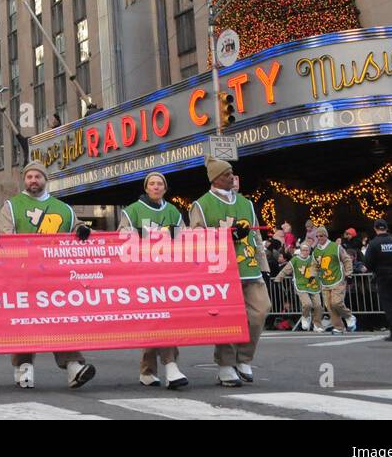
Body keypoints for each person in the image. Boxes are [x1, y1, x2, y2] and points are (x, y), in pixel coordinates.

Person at [0, 159, 97, 390]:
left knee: (61, 320)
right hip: (22, 275)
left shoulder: (63, 209)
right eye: (29, 177)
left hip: (56, 277)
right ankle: (23, 366)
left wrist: (82, 230)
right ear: (24, 180)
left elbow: (76, 227)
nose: (33, 181)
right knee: (24, 322)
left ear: (46, 180)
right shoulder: (11, 206)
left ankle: (73, 365)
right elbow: (5, 237)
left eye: (37, 177)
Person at [189, 156, 270, 387]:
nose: (231, 176)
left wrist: (263, 267)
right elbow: (194, 238)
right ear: (215, 178)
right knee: (226, 318)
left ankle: (244, 358)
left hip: (249, 268)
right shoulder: (201, 205)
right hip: (219, 270)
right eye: (226, 173)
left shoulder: (247, 203)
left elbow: (256, 236)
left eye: (232, 172)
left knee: (260, 311)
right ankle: (225, 365)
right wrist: (225, 234)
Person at [118, 171, 188, 389]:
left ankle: (158, 368)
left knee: (164, 320)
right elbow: (120, 237)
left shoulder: (173, 211)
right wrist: (138, 234)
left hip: (168, 273)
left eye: (160, 184)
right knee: (155, 320)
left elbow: (185, 238)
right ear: (146, 188)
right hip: (143, 274)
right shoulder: (132, 211)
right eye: (152, 184)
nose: (156, 187)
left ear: (165, 189)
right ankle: (163, 367)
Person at [311, 226, 356, 334]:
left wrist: (348, 273)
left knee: (336, 302)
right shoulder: (316, 251)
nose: (319, 238)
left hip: (338, 278)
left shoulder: (336, 247)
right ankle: (339, 327)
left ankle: (349, 316)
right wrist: (313, 276)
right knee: (329, 306)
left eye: (321, 236)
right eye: (317, 236)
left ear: (326, 236)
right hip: (325, 281)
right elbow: (314, 266)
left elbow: (346, 260)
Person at [273, 241, 326, 332]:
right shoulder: (295, 260)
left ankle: (317, 324)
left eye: (307, 250)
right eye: (303, 250)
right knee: (307, 304)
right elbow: (286, 270)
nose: (305, 252)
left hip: (313, 285)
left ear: (309, 251)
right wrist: (278, 278)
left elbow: (319, 270)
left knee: (318, 306)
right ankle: (305, 317)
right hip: (301, 285)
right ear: (300, 250)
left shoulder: (313, 259)